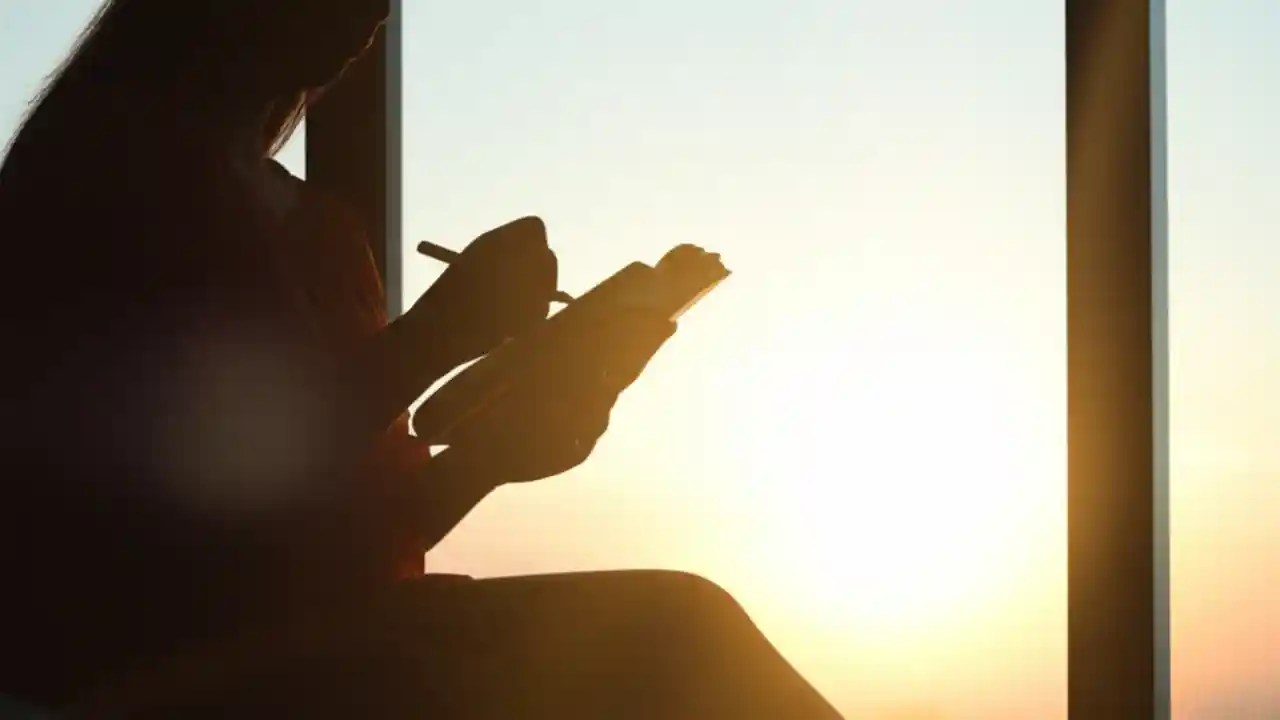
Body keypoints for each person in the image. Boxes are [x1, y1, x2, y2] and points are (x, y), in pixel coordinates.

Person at [0, 1, 843, 717]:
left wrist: (495, 457)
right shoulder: (97, 191)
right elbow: (160, 524)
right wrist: (435, 339)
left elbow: (337, 528)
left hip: (325, 646)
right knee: (675, 630)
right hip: (169, 675)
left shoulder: (317, 228)